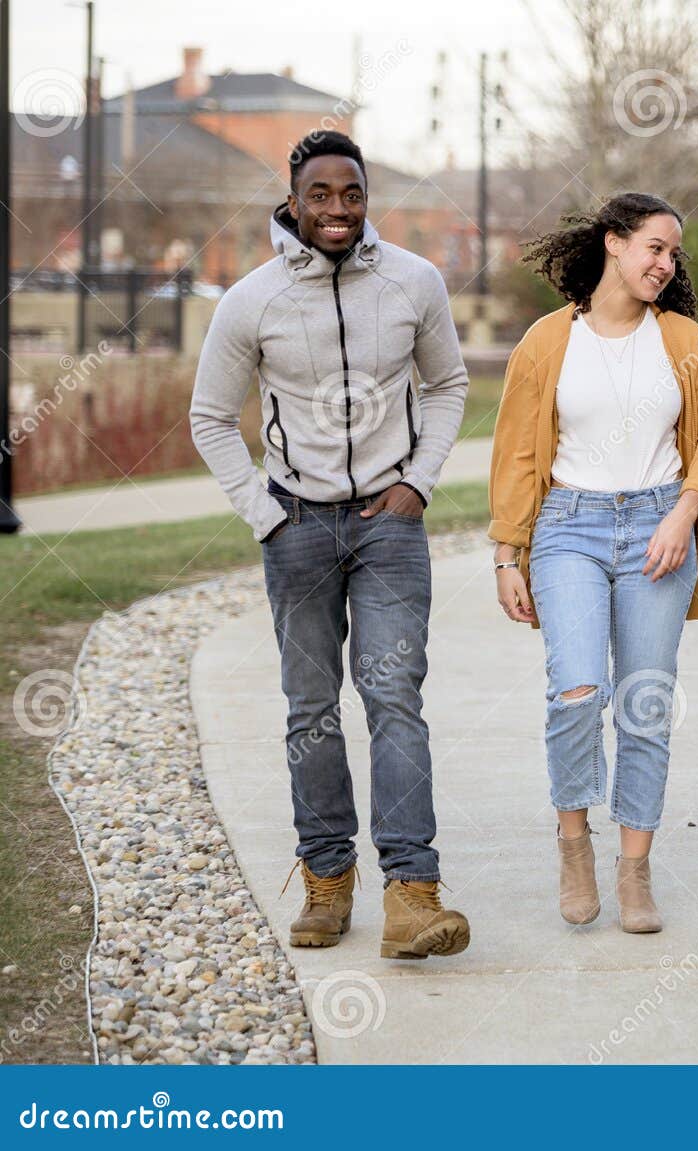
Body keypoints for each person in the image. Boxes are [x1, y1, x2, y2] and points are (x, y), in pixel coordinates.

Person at [190, 131, 471, 960]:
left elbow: (448, 383)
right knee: (312, 712)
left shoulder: (414, 282)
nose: (339, 210)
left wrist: (418, 480)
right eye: (322, 195)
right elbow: (210, 416)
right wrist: (262, 513)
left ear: (365, 195)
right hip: (297, 529)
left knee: (394, 700)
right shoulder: (252, 299)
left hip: (390, 527)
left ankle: (413, 895)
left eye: (351, 193)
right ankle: (326, 877)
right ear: (294, 198)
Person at [488, 193, 698, 934]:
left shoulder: (685, 340)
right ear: (613, 243)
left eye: (673, 255)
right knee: (576, 692)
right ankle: (574, 844)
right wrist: (508, 552)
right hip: (570, 526)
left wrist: (686, 509)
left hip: (659, 525)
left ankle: (635, 869)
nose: (665, 264)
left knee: (645, 703)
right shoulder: (545, 341)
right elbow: (517, 454)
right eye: (654, 248)